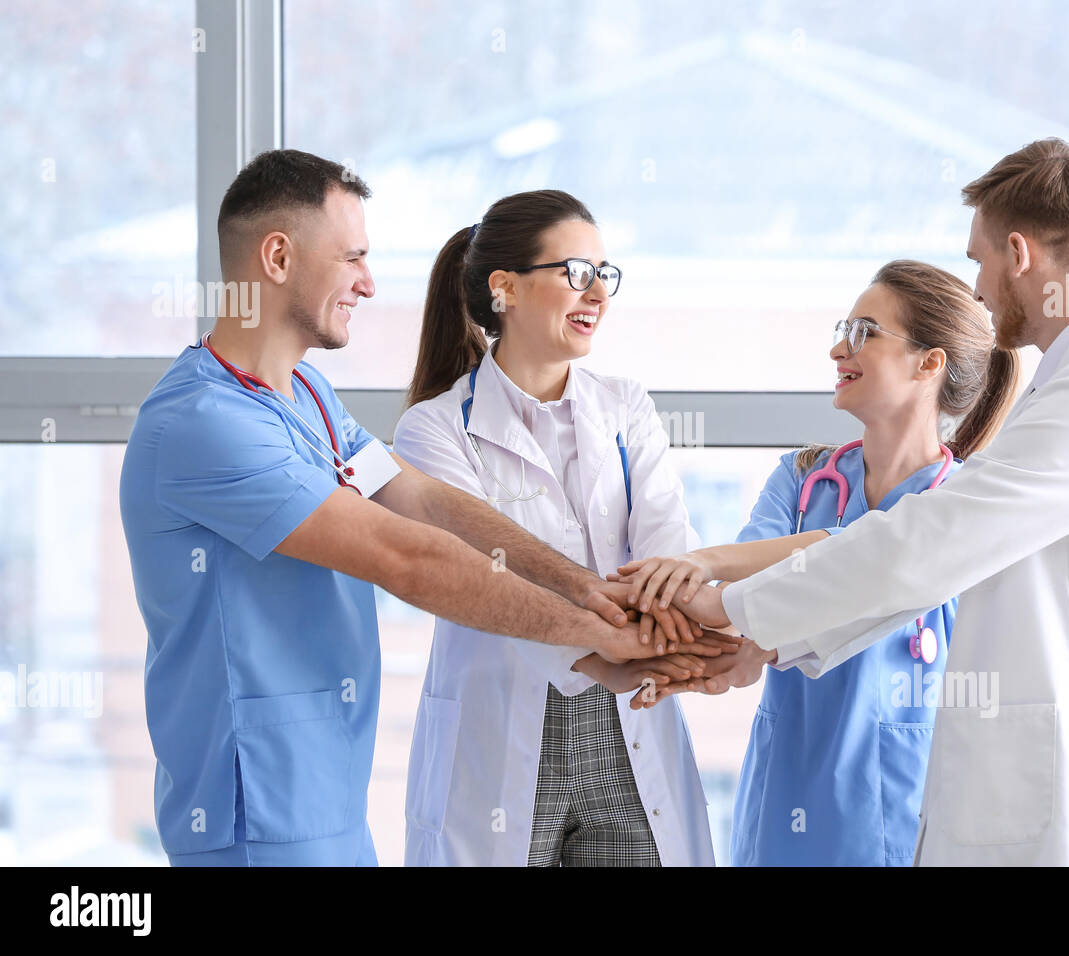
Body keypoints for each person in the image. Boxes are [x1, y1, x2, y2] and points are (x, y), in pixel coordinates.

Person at [627, 139, 1069, 866]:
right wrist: (751, 641)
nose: (980, 288)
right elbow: (919, 564)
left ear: (1019, 254)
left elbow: (919, 550)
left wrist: (724, 607)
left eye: (980, 259)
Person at [119, 150, 674, 867]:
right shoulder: (203, 423)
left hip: (331, 803)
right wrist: (598, 637)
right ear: (279, 257)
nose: (369, 283)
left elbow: (422, 500)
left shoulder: (309, 398)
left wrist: (585, 591)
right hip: (253, 813)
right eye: (352, 257)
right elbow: (403, 556)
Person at [616, 261, 1019, 865]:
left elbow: (851, 563)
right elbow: (744, 610)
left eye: (864, 333)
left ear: (928, 363)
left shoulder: (964, 511)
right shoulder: (802, 479)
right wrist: (709, 659)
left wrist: (711, 569)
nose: (838, 348)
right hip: (786, 798)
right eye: (842, 328)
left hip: (902, 808)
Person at [394, 189, 728, 867]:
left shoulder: (625, 407)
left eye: (605, 275)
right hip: (501, 728)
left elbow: (667, 547)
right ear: (505, 287)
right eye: (577, 272)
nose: (598, 293)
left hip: (631, 722)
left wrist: (653, 639)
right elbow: (479, 582)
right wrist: (605, 655)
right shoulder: (432, 429)